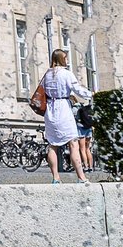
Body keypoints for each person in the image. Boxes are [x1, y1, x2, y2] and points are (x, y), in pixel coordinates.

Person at [39, 48, 93, 184]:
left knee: (52, 145)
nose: (67, 60)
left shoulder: (47, 74)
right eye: (66, 58)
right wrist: (91, 94)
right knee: (73, 143)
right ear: (62, 59)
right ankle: (81, 177)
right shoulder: (66, 74)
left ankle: (56, 177)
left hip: (50, 110)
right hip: (63, 108)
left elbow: (42, 91)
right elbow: (78, 89)